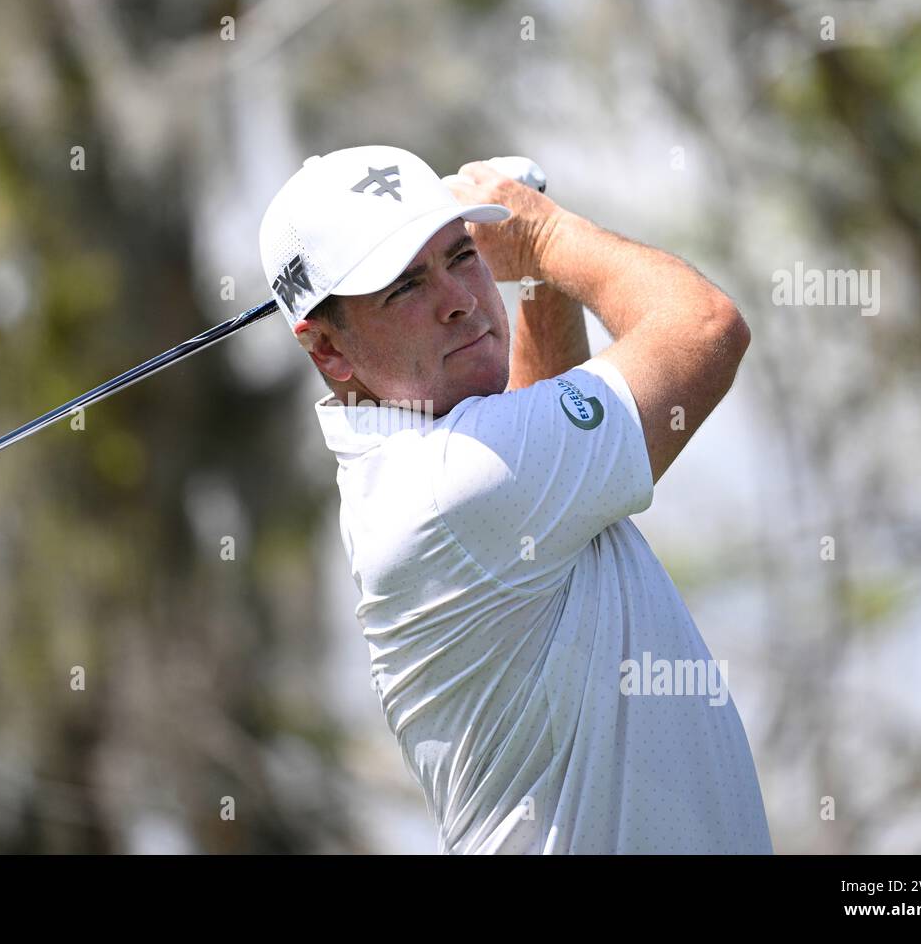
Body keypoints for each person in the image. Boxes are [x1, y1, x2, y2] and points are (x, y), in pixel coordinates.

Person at [258, 145, 771, 854]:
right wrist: (543, 234)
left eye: (462, 254)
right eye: (404, 287)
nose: (460, 299)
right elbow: (705, 329)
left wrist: (537, 280)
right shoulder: (449, 485)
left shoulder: (444, 467)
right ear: (328, 352)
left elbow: (539, 430)